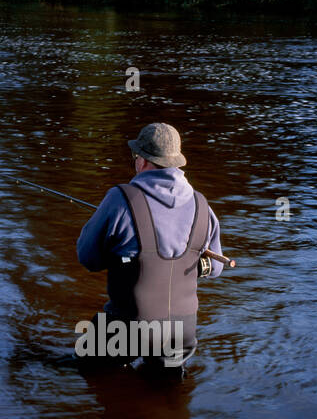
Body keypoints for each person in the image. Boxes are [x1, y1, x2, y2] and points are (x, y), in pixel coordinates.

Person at [75, 123, 224, 373]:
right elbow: (216, 268)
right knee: (165, 395)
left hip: (127, 330)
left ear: (142, 161)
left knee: (86, 373)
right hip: (182, 334)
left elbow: (88, 258)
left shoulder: (120, 198)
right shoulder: (203, 207)